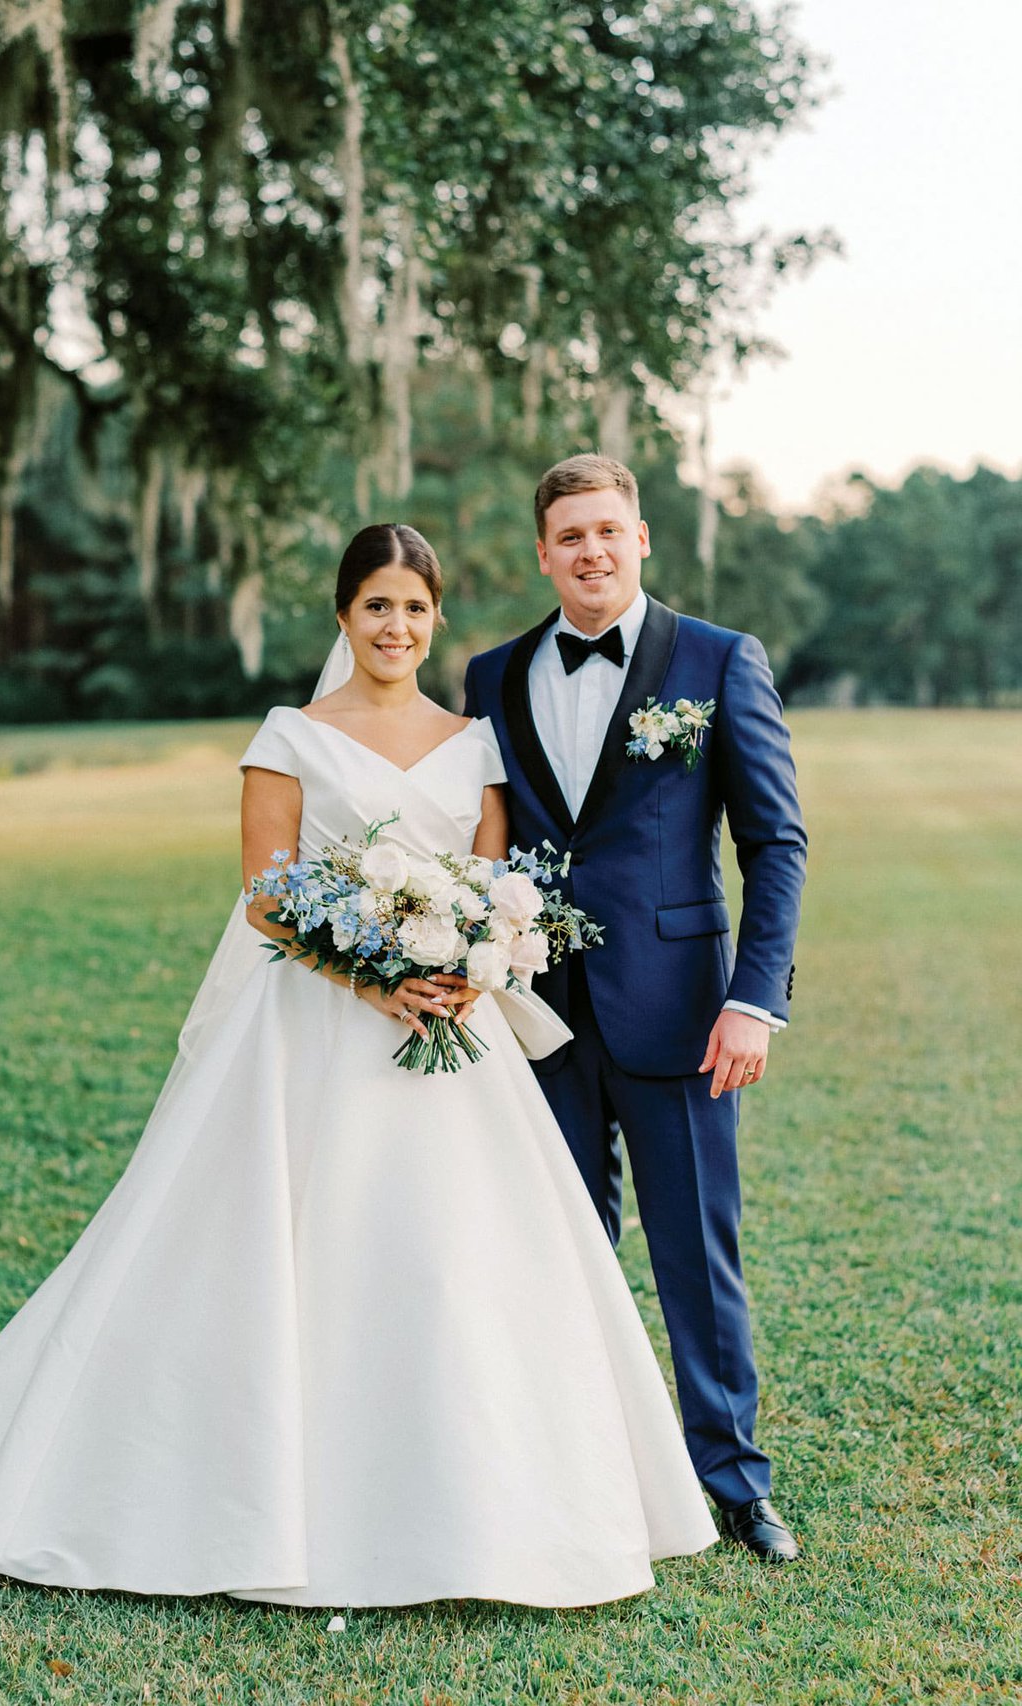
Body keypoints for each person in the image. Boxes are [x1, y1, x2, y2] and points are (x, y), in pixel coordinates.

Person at [0, 522, 719, 1607]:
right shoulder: (288, 734)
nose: (396, 626)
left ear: (435, 618)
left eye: (414, 607)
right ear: (343, 618)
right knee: (284, 1240)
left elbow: (487, 879)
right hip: (313, 1028)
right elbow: (266, 894)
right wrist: (375, 977)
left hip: (453, 1031)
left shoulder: (472, 738)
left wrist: (468, 963)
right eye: (375, 606)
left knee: (455, 1254)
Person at [463, 454, 808, 1563]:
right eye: (569, 536)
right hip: (536, 1020)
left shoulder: (715, 659)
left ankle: (732, 1482)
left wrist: (753, 999)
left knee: (695, 1260)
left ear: (641, 536)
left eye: (607, 530)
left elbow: (773, 841)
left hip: (683, 1014)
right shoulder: (487, 674)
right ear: (542, 552)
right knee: (555, 1249)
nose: (590, 552)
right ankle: (571, 1466)